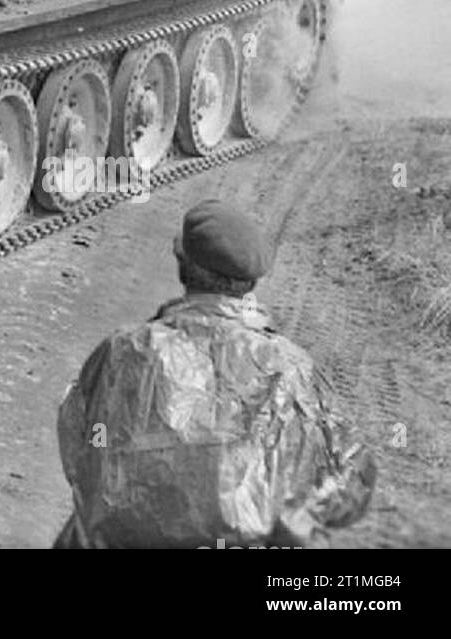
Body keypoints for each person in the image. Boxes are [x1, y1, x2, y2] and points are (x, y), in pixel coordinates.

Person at [54, 199, 376, 549]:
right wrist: (285, 510)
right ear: (251, 282)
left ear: (182, 263)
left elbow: (81, 442)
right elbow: (349, 477)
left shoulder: (124, 350)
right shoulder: (291, 367)